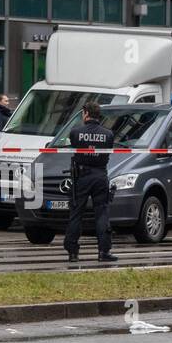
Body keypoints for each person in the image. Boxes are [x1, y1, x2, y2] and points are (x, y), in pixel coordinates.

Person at [64, 102, 116, 263]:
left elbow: (73, 145)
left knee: (76, 213)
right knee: (102, 213)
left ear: (86, 113)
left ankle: (73, 253)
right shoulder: (108, 134)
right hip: (100, 176)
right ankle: (103, 251)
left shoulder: (75, 132)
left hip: (82, 176)